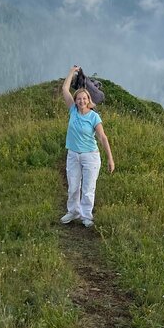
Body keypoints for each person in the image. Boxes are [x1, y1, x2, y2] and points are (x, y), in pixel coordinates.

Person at [60, 65, 115, 228]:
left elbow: (103, 137)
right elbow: (65, 89)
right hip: (73, 155)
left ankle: (86, 216)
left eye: (84, 99)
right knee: (73, 186)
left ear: (89, 100)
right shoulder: (73, 110)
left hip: (90, 156)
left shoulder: (94, 117)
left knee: (88, 188)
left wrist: (110, 159)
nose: (81, 101)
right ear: (75, 100)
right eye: (79, 99)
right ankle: (73, 212)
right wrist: (71, 72)